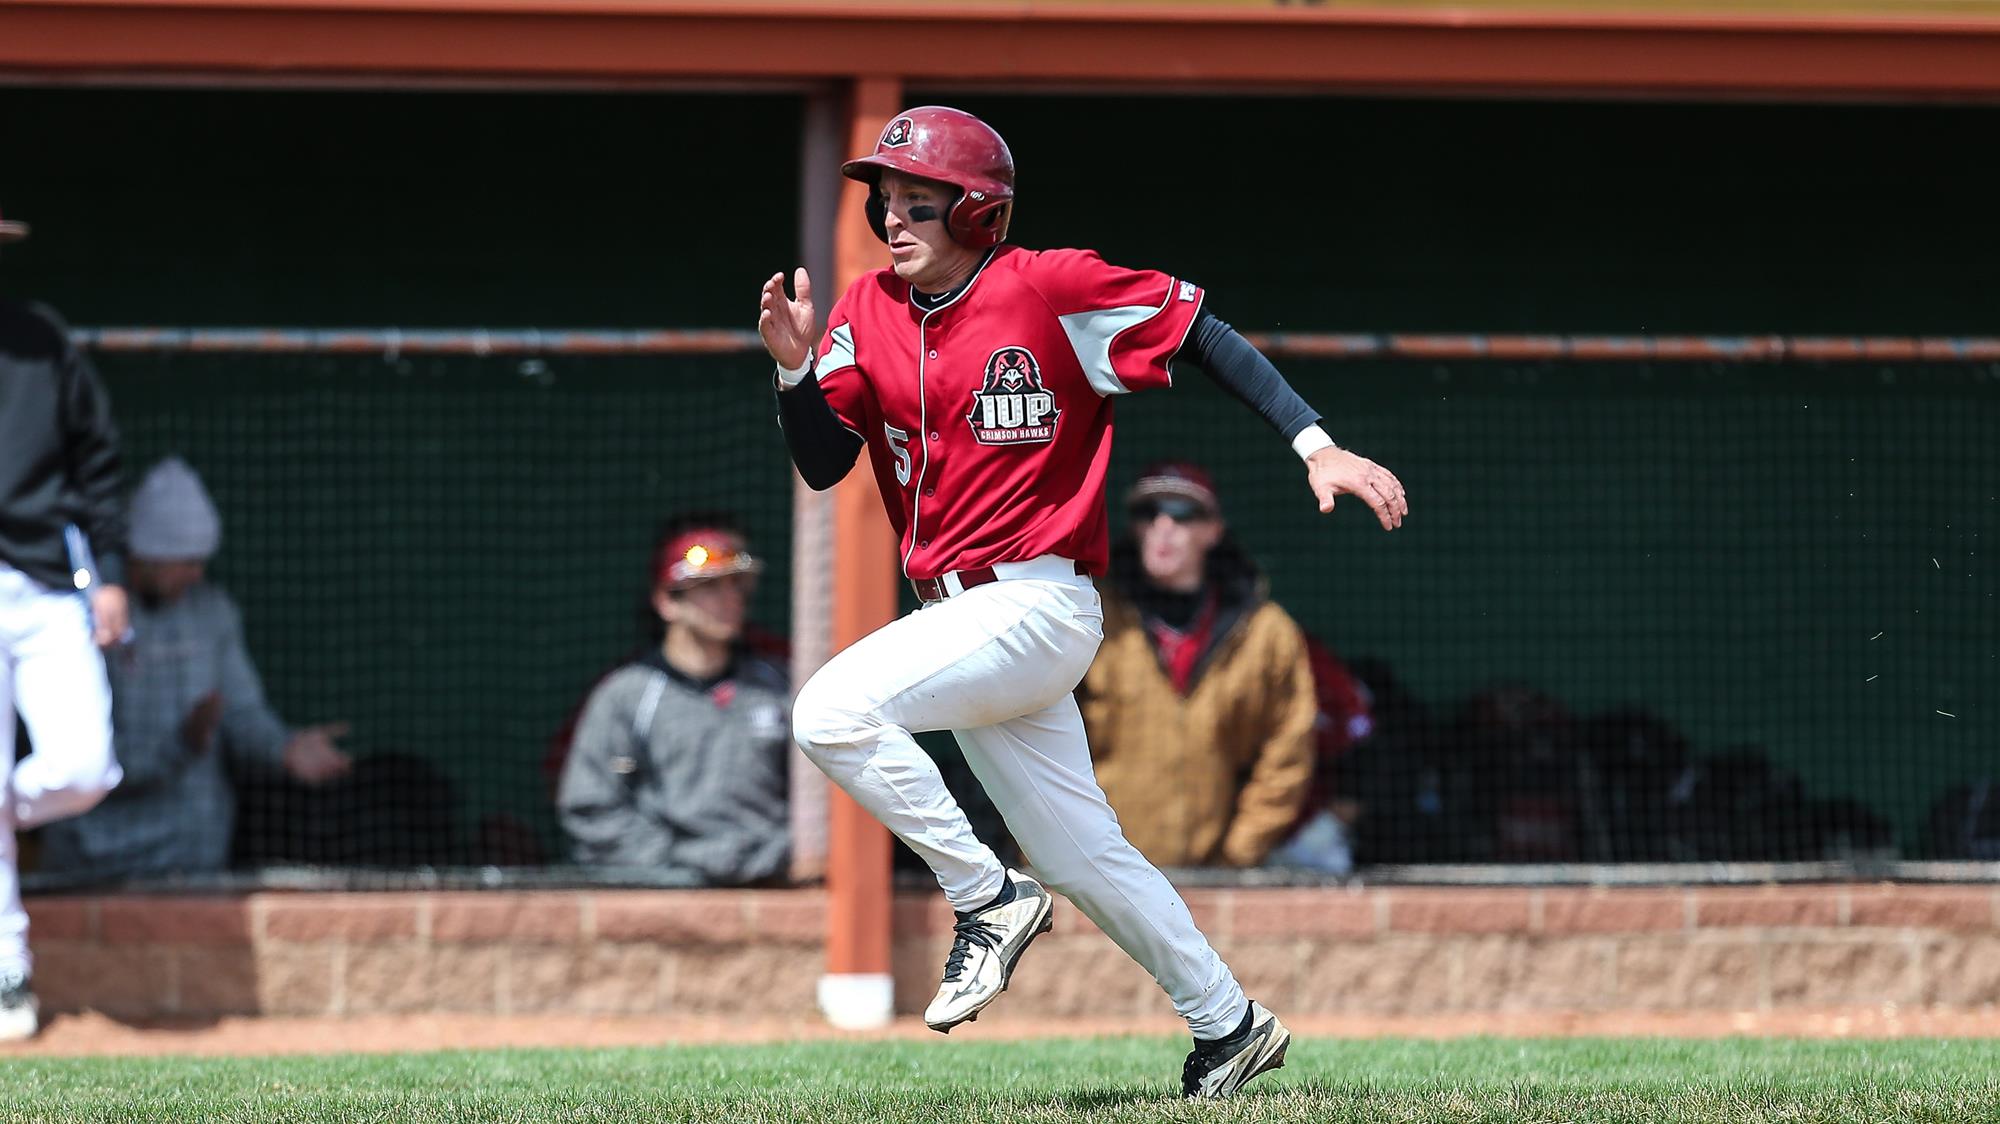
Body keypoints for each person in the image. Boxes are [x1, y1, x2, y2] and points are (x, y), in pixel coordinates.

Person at [757, 106, 1407, 1098]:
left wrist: (1315, 445)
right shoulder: (866, 307)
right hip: (957, 617)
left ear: (977, 211)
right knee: (1081, 853)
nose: (892, 219)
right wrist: (795, 369)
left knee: (829, 712)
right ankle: (1228, 1025)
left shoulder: (1048, 286)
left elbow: (1201, 333)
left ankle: (984, 896)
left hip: (1036, 602)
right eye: (884, 199)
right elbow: (821, 460)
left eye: (918, 202)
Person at [38, 457, 353, 883]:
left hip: (191, 860)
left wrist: (285, 748)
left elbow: (243, 713)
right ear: (146, 555)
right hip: (92, 862)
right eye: (185, 561)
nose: (196, 573)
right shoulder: (86, 617)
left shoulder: (213, 613)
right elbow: (80, 758)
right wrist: (181, 744)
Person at [0, 201, 129, 1040]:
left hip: (47, 580)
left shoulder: (39, 337)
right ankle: (7, 970)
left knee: (86, 768)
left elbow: (97, 460)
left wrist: (108, 572)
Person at [1076, 462, 1318, 869]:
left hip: (1209, 878)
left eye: (1182, 513)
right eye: (1148, 512)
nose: (1163, 526)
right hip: (1089, 873)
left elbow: (1288, 752)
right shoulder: (1085, 615)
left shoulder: (1265, 632)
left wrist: (1236, 857)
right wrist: (1059, 857)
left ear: (1213, 530)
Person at [556, 520, 791, 885]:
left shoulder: (780, 686)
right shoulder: (627, 695)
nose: (731, 599)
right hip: (665, 893)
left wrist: (775, 855)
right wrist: (680, 863)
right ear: (667, 601)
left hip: (774, 885)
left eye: (737, 584)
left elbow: (827, 798)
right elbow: (591, 807)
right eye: (709, 586)